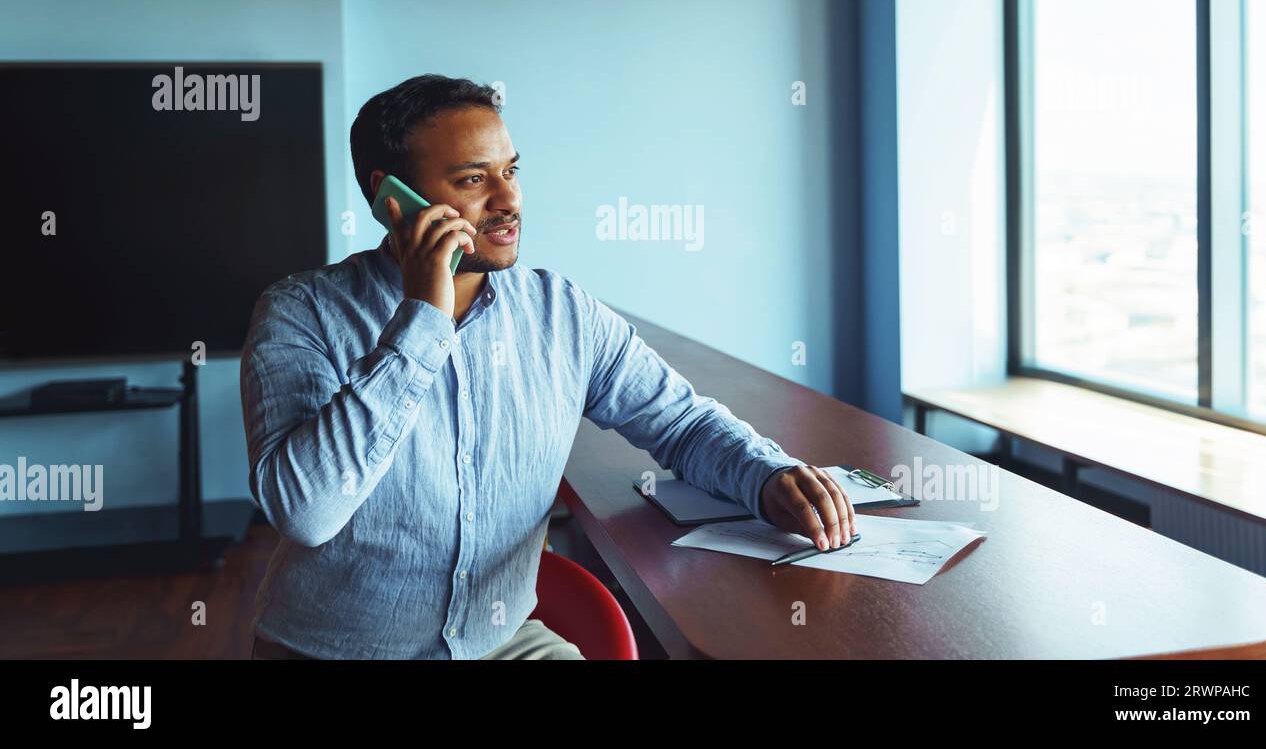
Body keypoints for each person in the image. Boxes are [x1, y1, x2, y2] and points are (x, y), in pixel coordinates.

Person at [240, 74, 857, 659]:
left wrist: (767, 475)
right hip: (334, 652)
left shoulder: (559, 311)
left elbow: (680, 421)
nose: (508, 200)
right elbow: (307, 512)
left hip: (500, 644)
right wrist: (422, 319)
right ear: (392, 199)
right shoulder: (301, 313)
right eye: (474, 179)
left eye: (510, 172)